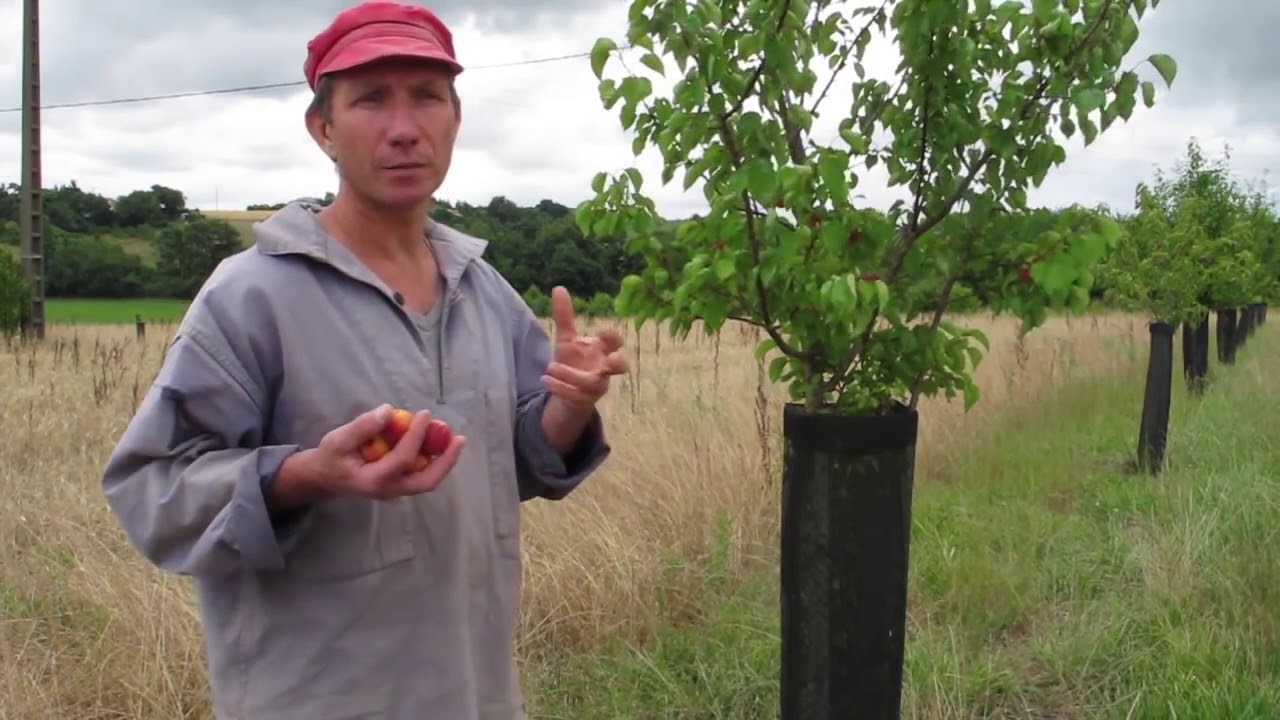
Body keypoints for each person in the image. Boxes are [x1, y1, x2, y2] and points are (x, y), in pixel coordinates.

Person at [100, 2, 628, 718]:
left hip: (476, 697)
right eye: (371, 99)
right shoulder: (252, 297)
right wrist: (304, 475)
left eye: (427, 97)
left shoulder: (482, 290)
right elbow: (151, 489)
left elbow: (514, 460)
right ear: (323, 128)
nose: (404, 128)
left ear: (456, 118)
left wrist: (568, 404)